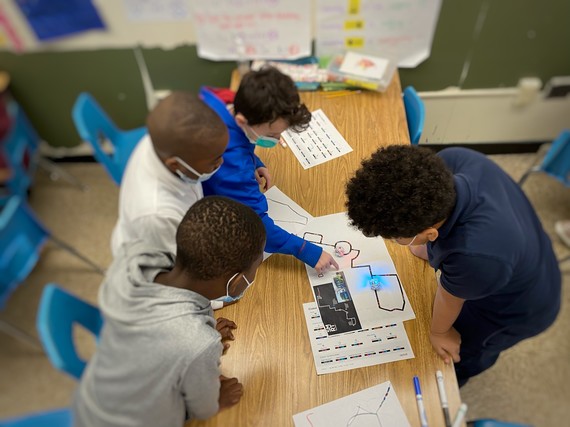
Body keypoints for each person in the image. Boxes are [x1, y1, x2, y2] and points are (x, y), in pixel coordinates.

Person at [345, 145, 561, 386]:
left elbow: (449, 299)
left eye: (396, 238)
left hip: (520, 306)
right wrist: (431, 249)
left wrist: (439, 332)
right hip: (523, 248)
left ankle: (459, 375)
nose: (396, 242)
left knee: (467, 345)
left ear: (429, 233)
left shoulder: (475, 256)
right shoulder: (453, 160)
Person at [73, 196, 266, 426]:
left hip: (97, 394)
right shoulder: (198, 343)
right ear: (236, 282)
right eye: (257, 266)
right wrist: (216, 393)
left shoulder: (133, 259)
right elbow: (202, 408)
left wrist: (203, 334)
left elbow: (161, 330)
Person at [200, 67, 338, 274]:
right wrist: (305, 250)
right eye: (272, 134)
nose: (277, 139)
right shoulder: (232, 162)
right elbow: (253, 224)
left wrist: (254, 161)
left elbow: (238, 138)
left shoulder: (225, 101)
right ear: (242, 121)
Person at [110, 91, 228, 257]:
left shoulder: (165, 145)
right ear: (175, 165)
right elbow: (181, 263)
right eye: (214, 160)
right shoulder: (158, 215)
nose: (221, 162)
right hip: (156, 256)